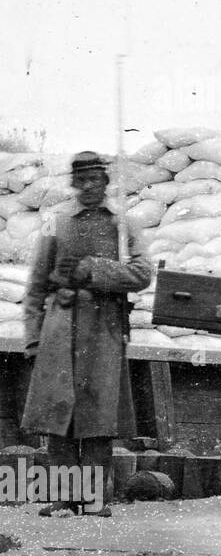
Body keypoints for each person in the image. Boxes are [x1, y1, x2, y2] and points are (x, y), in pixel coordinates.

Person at [21, 152, 153, 516]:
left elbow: (143, 273)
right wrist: (33, 338)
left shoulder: (122, 224)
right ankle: (63, 496)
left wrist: (92, 270)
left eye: (98, 179)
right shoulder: (55, 222)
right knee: (59, 415)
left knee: (98, 418)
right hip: (60, 329)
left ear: (106, 183)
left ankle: (95, 498)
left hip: (104, 328)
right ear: (74, 183)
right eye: (84, 180)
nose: (91, 186)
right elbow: (35, 285)